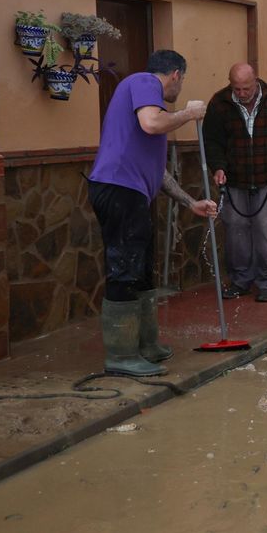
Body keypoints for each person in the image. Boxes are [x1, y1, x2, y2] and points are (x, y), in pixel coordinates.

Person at [87, 50, 217, 377]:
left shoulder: (148, 101)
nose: (180, 87)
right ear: (175, 74)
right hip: (119, 190)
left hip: (132, 192)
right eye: (182, 80)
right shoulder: (144, 82)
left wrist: (189, 202)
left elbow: (157, 173)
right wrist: (187, 114)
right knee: (125, 269)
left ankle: (146, 345)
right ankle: (121, 355)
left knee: (142, 270)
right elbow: (152, 123)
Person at [203, 63, 267, 302]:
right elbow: (212, 140)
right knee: (236, 233)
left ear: (255, 81)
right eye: (237, 88)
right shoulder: (219, 103)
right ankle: (240, 281)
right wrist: (218, 167)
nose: (242, 93)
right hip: (234, 180)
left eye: (246, 88)